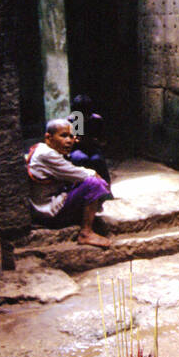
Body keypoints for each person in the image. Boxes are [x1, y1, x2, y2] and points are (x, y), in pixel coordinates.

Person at [27, 118, 112, 247]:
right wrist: (95, 176)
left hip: (46, 205)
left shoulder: (42, 148)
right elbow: (80, 174)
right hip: (49, 210)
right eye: (63, 136)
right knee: (94, 184)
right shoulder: (46, 154)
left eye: (71, 136)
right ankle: (86, 233)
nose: (69, 141)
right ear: (48, 137)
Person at [68, 93, 111, 186]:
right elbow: (73, 140)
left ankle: (105, 188)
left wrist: (97, 142)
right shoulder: (74, 120)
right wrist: (76, 140)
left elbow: (103, 140)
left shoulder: (96, 120)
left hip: (93, 148)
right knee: (80, 158)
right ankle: (80, 187)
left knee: (97, 160)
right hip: (77, 149)